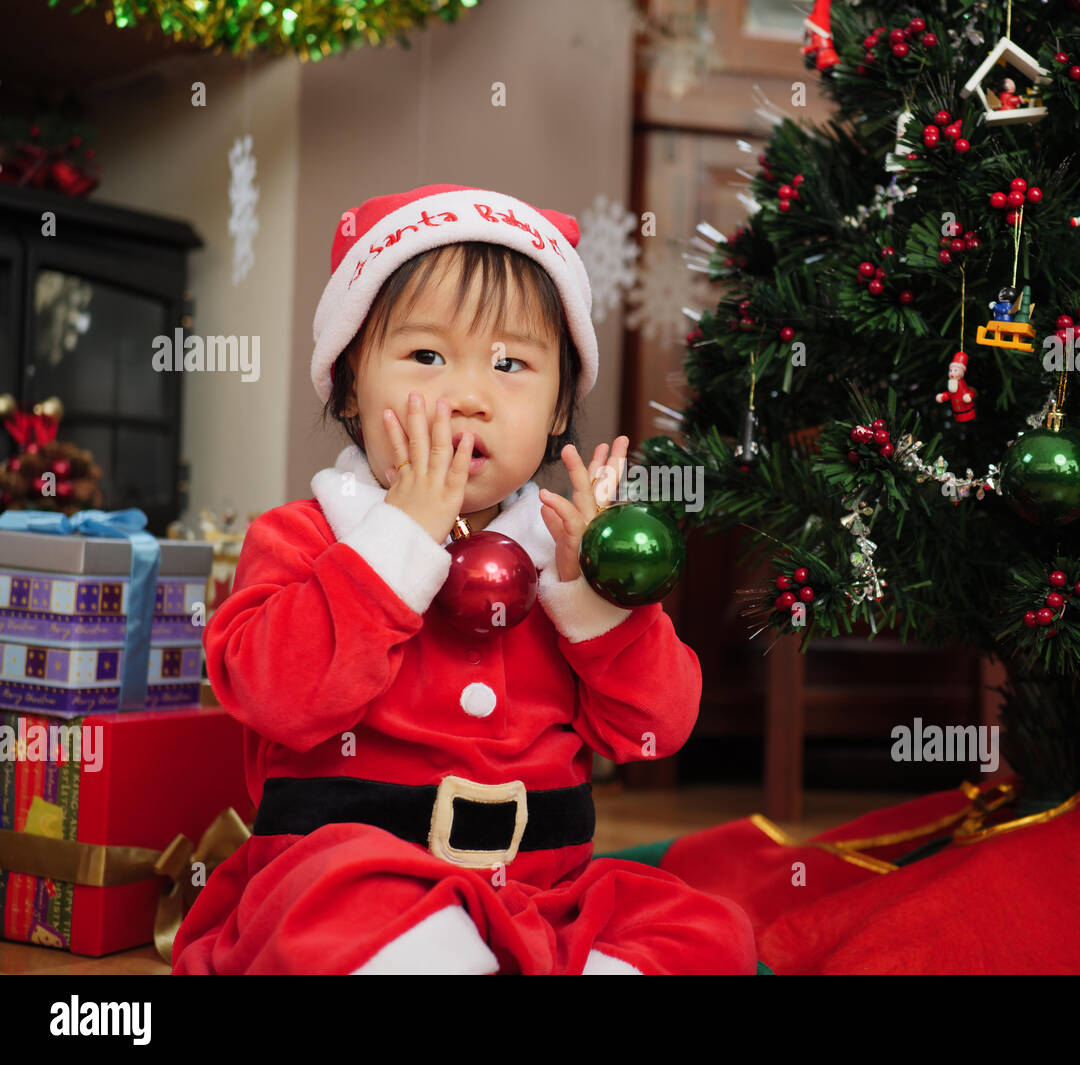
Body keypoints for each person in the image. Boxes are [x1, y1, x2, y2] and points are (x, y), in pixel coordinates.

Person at [171, 183, 758, 975]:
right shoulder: (306, 537)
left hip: (546, 889)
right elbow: (280, 697)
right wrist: (398, 541)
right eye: (425, 357)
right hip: (362, 877)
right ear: (348, 384)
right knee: (329, 909)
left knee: (703, 931)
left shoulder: (563, 555)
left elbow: (655, 729)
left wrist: (601, 601)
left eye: (512, 364)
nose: (469, 397)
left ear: (559, 410)